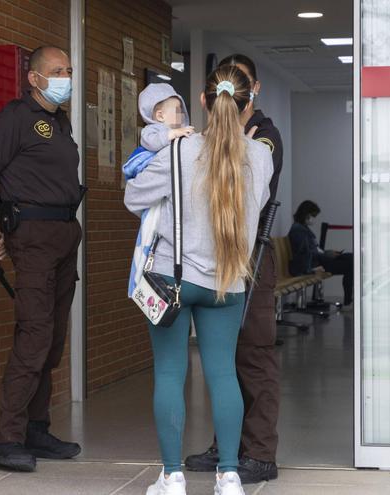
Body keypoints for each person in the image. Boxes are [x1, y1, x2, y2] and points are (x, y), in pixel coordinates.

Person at [124, 65, 273, 495]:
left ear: (204, 102)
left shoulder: (180, 151)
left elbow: (133, 196)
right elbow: (258, 204)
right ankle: (229, 477)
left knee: (170, 374)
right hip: (228, 281)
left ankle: (172, 477)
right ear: (249, 105)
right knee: (223, 373)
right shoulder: (260, 157)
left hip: (173, 280)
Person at [0, 46, 84, 472]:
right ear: (34, 78)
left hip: (63, 233)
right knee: (34, 335)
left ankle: (37, 429)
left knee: (53, 338)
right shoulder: (15, 119)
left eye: (69, 70)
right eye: (57, 71)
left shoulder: (60, 120)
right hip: (32, 236)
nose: (65, 77)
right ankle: (6, 439)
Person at [184, 54, 285, 484]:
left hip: (250, 256)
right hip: (215, 257)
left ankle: (259, 453)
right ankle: (226, 446)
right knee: (223, 359)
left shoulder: (264, 138)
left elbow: (255, 198)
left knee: (254, 355)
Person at [124, 83, 194, 297]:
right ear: (159, 115)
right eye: (176, 110)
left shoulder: (175, 134)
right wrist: (172, 135)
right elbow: (151, 141)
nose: (181, 114)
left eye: (182, 110)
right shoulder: (154, 131)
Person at [288, 200, 354, 306]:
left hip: (318, 260)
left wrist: (327, 252)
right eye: (313, 215)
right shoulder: (298, 230)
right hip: (315, 264)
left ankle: (348, 301)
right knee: (351, 264)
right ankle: (348, 302)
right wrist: (325, 254)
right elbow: (306, 252)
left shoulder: (302, 229)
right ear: (306, 215)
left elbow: (312, 250)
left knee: (351, 258)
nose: (314, 219)